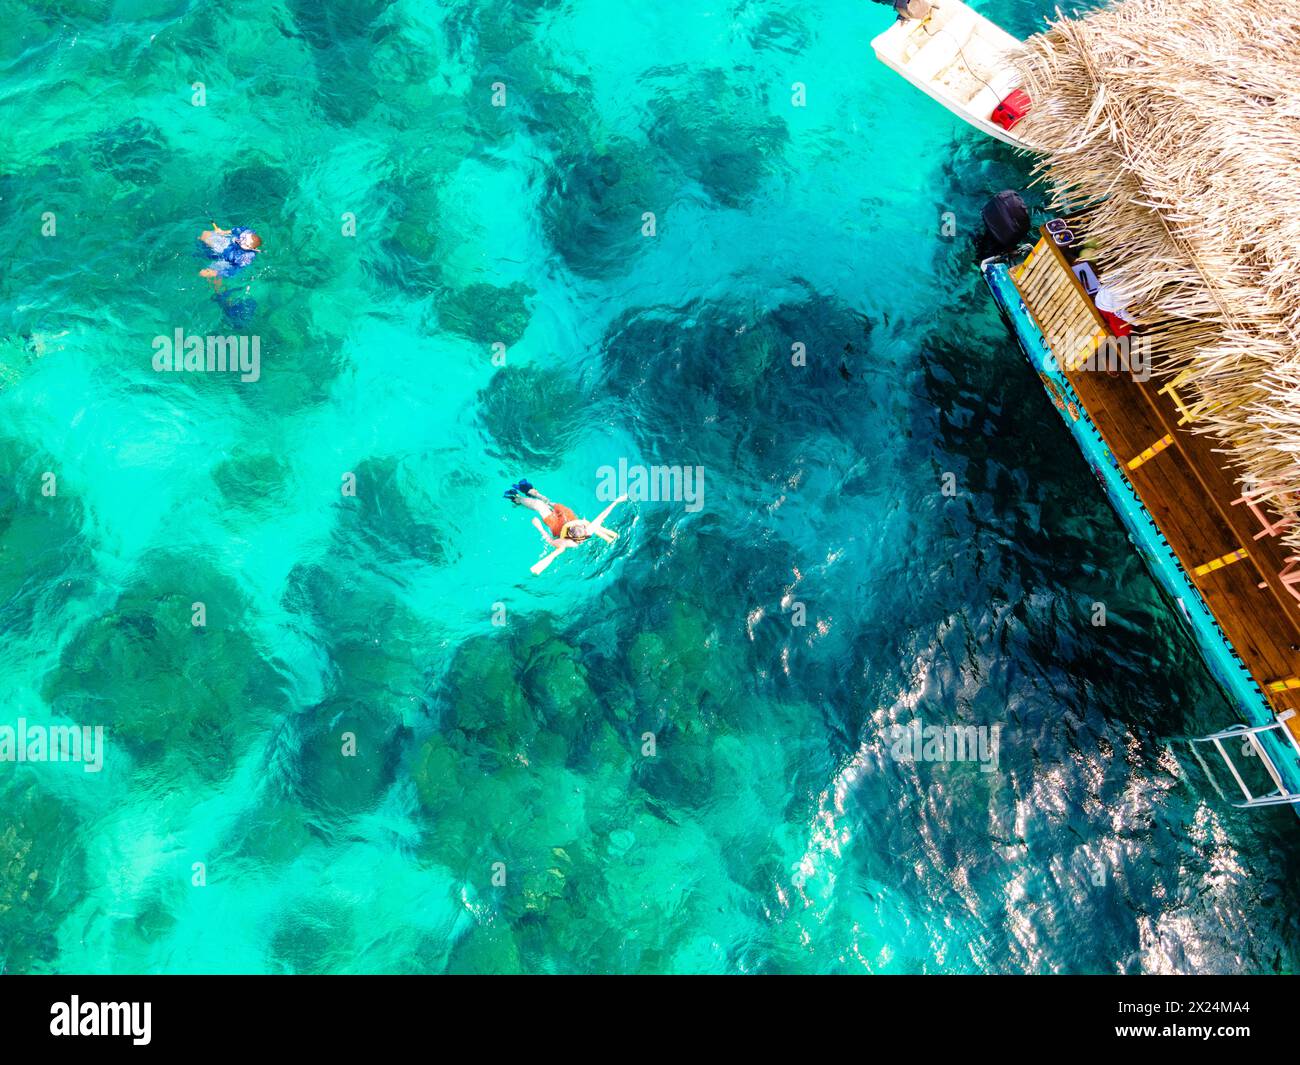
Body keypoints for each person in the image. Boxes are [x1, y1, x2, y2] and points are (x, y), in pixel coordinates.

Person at [505, 479, 628, 575]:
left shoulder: (566, 542)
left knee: (539, 506)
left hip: (557, 527)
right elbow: (603, 515)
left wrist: (539, 527)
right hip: (569, 518)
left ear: (572, 535)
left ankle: (517, 499)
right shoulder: (589, 529)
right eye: (580, 526)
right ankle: (536, 494)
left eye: (574, 529)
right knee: (553, 504)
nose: (578, 526)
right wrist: (617, 500)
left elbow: (550, 541)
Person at [199, 223, 262, 289]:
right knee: (205, 234)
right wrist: (223, 232)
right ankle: (204, 251)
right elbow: (239, 230)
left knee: (204, 273)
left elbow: (234, 270)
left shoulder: (246, 258)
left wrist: (217, 273)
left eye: (245, 243)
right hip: (228, 245)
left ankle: (220, 293)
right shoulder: (247, 233)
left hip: (228, 262)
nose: (240, 241)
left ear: (251, 249)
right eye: (243, 238)